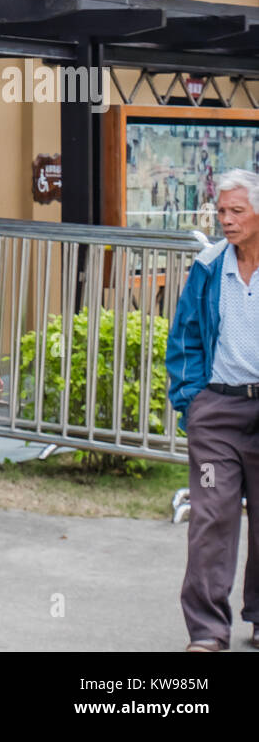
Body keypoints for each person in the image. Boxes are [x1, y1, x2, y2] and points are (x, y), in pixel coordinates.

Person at [167, 168, 259, 651]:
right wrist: (193, 404)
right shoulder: (208, 266)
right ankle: (207, 631)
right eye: (221, 211)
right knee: (210, 518)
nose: (226, 220)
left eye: (236, 211)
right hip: (217, 412)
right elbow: (183, 339)